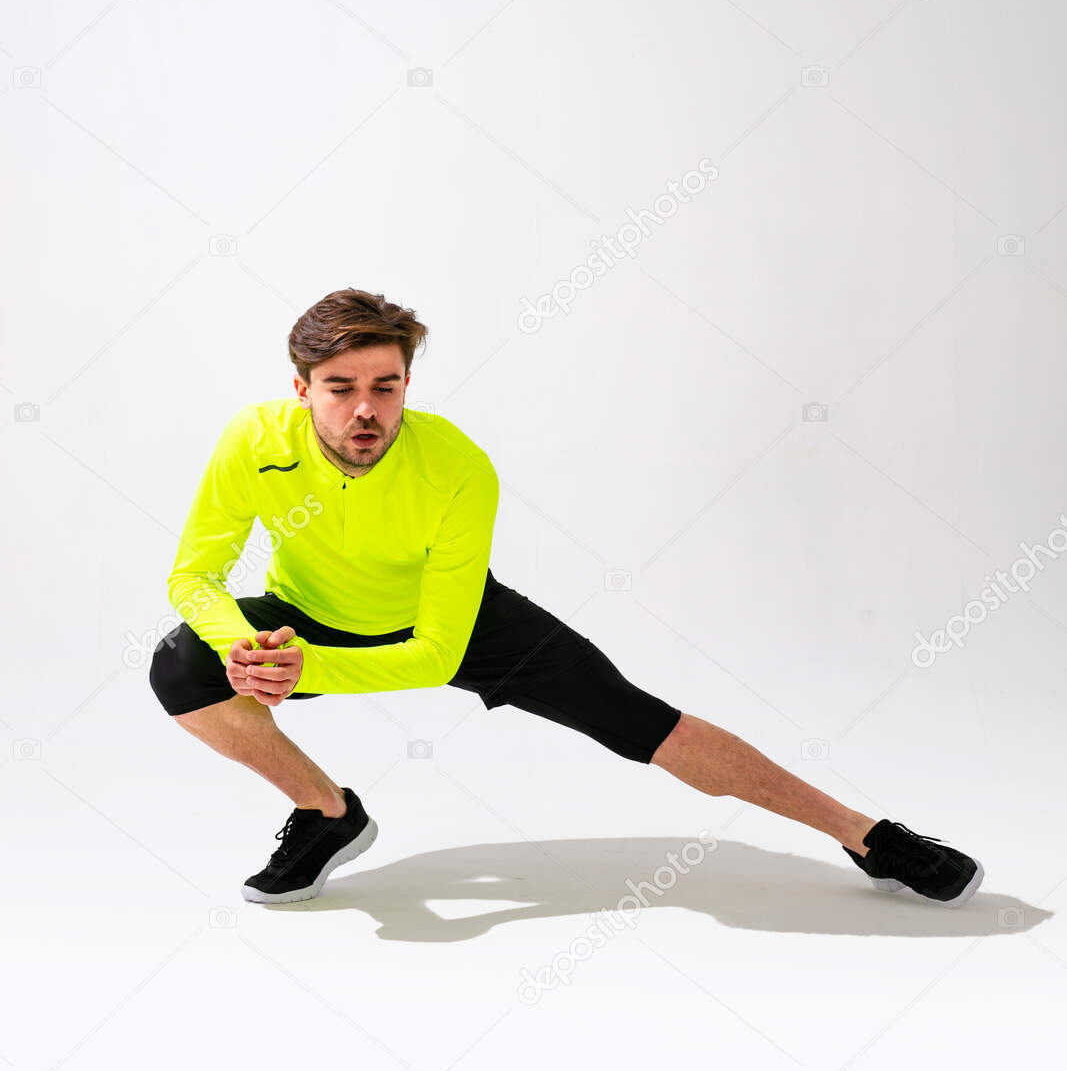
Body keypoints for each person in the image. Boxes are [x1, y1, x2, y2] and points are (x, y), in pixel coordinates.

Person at [150, 287, 984, 909]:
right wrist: (243, 648)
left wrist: (297, 671)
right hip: (309, 616)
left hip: (459, 623)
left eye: (387, 385)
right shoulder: (252, 439)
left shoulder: (456, 467)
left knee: (649, 726)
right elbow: (193, 575)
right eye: (340, 387)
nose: (367, 410)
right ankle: (326, 813)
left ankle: (865, 836)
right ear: (301, 388)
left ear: (408, 381)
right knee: (180, 667)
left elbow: (436, 655)